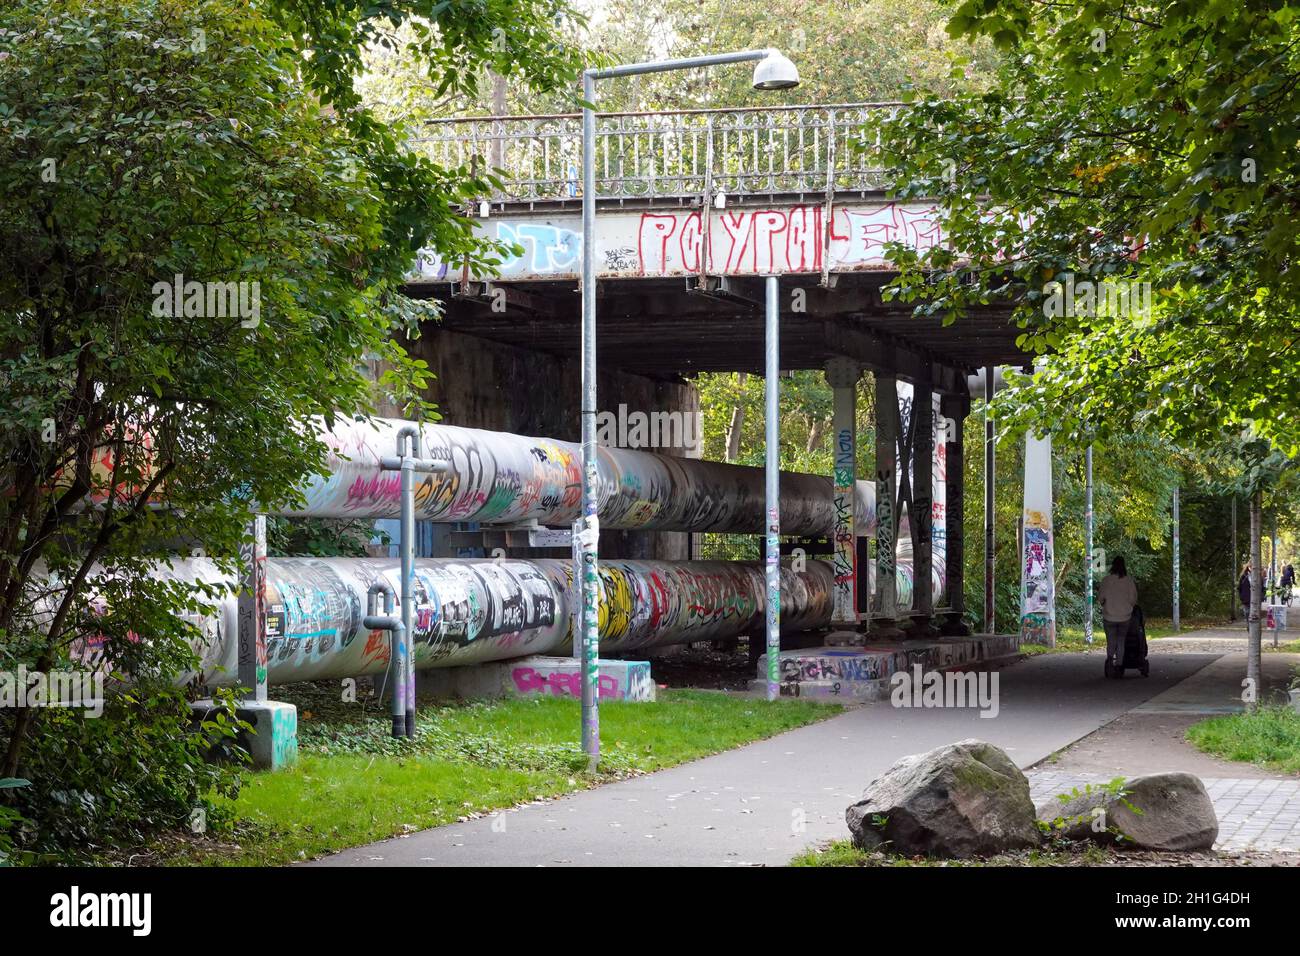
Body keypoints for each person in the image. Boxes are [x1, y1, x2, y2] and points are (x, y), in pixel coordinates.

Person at [1099, 555, 1139, 667]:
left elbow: (1101, 598)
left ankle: (1110, 659)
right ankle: (1119, 664)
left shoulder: (1106, 580)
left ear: (1112, 566)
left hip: (1109, 616)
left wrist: (1105, 604)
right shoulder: (1129, 581)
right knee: (1121, 640)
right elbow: (1133, 599)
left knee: (1111, 640)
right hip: (1125, 617)